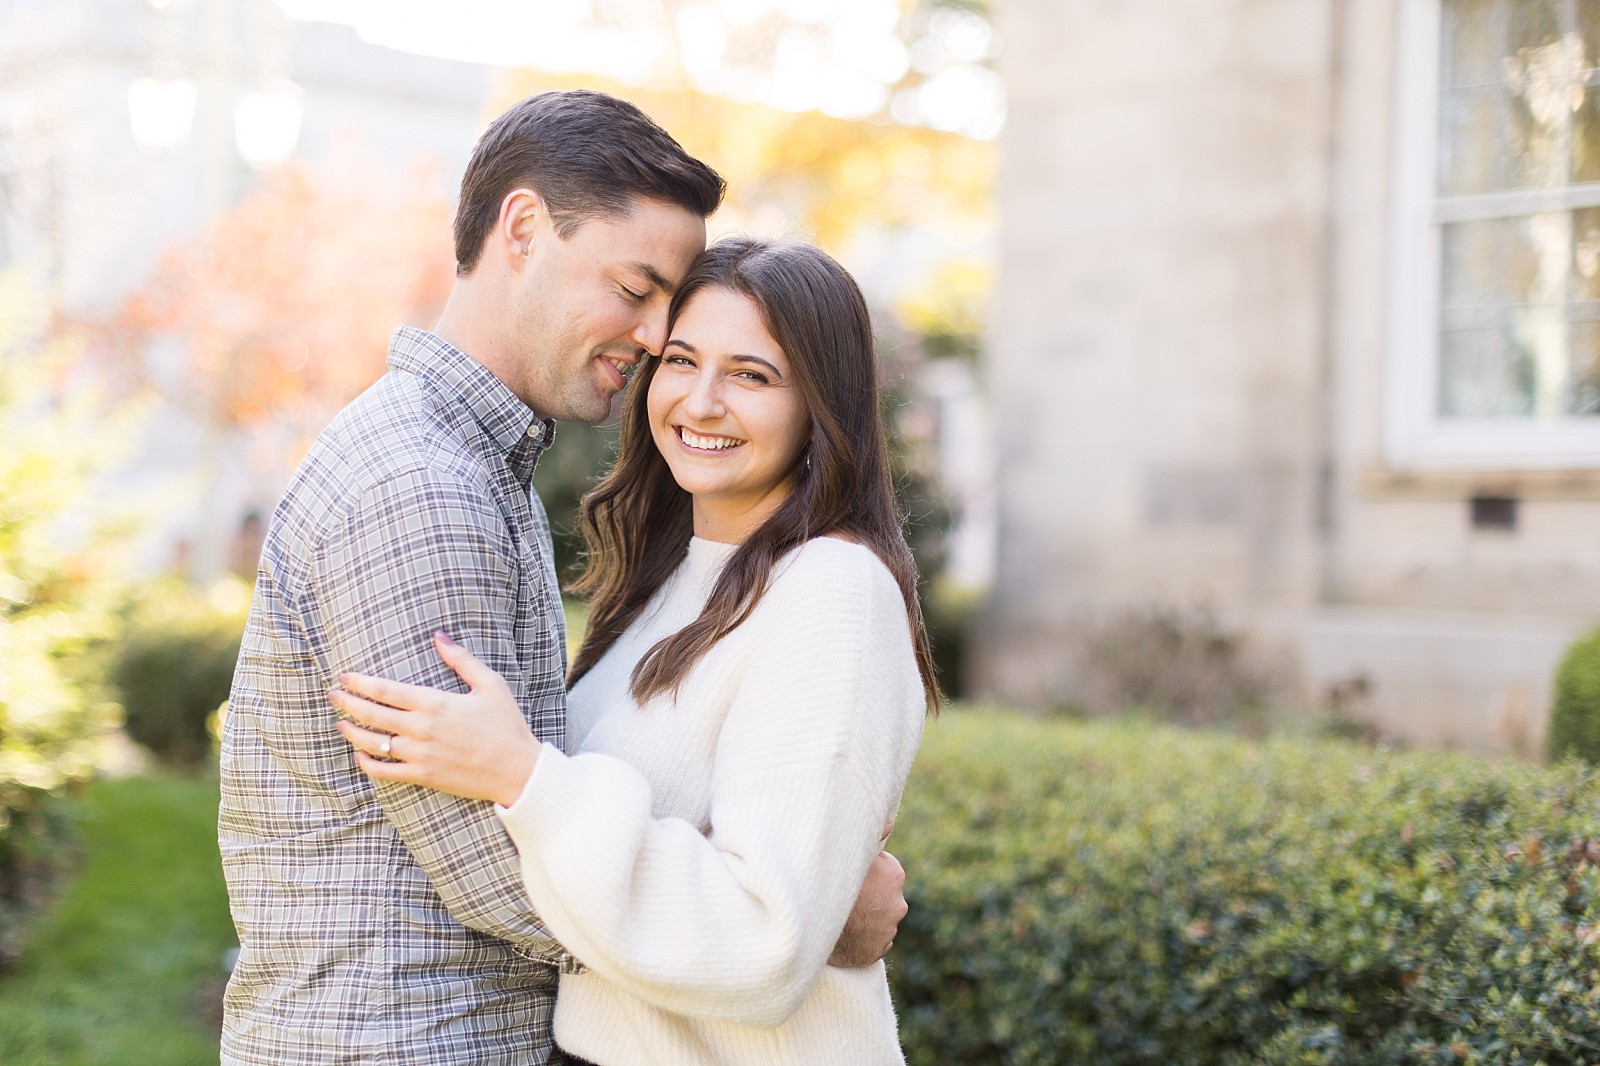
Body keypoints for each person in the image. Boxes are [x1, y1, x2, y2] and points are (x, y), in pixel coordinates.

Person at [218, 92, 904, 1066]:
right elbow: (495, 868)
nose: (653, 336)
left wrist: (791, 906)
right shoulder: (422, 486)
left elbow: (545, 802)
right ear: (525, 229)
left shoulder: (483, 471)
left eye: (749, 372)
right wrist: (802, 919)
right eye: (636, 290)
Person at [330, 237, 941, 1065]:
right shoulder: (675, 578)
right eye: (682, 360)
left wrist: (523, 776)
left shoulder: (832, 588)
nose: (701, 401)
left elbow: (763, 944)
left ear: (818, 408)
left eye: (752, 375)